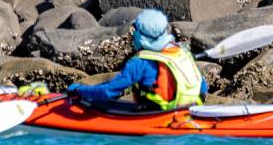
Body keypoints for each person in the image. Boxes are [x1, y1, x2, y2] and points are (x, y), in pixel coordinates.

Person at [65, 9, 206, 111]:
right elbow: (203, 87)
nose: (134, 35)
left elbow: (109, 92)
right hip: (188, 110)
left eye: (136, 30)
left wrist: (79, 90)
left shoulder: (139, 63)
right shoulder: (181, 52)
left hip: (156, 115)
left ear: (142, 36)